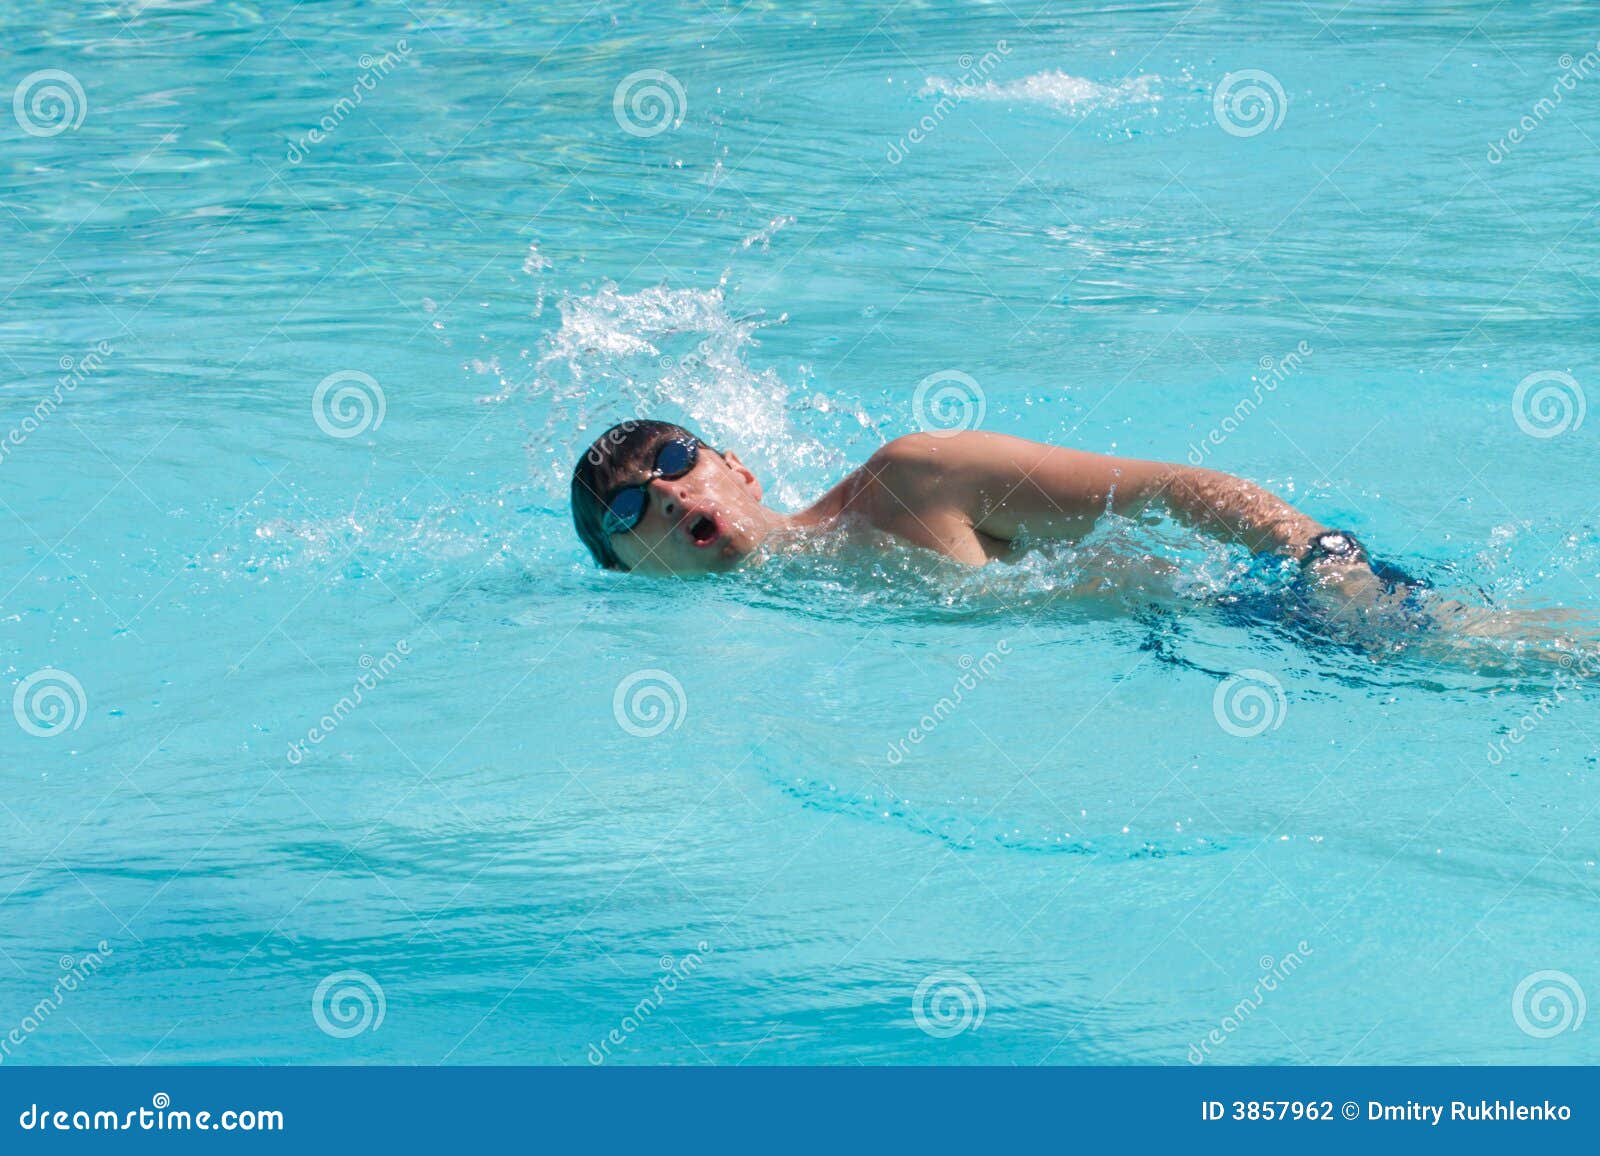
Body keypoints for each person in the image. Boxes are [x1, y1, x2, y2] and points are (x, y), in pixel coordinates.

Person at [569, 419, 1400, 603]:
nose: (669, 493)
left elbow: (1167, 488)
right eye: (627, 509)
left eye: (675, 460)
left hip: (1267, 612)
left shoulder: (914, 481)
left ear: (740, 471)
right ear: (625, 570)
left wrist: (1320, 555)